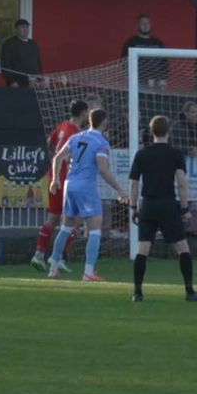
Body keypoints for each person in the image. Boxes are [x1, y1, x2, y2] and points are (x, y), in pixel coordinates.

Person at [128, 115, 197, 303]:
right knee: (182, 248)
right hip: (168, 204)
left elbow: (133, 185)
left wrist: (133, 207)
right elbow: (182, 183)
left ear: (151, 131)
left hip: (148, 204)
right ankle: (189, 290)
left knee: (143, 249)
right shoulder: (175, 154)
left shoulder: (142, 154)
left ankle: (137, 292)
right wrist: (185, 207)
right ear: (168, 132)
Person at [47, 109, 130, 281]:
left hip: (70, 185)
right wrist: (120, 189)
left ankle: (53, 268)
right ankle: (88, 272)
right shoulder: (101, 142)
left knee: (65, 228)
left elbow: (57, 158)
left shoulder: (76, 137)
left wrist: (55, 180)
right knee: (94, 228)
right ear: (104, 122)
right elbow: (103, 169)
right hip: (86, 187)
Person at [31, 99, 89, 272]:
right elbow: (73, 157)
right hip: (66, 180)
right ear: (84, 113)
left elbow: (50, 144)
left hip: (53, 178)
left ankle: (38, 255)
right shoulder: (76, 133)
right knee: (75, 219)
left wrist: (57, 161)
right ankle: (59, 257)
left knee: (53, 218)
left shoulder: (62, 126)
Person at [122, 15, 168, 88]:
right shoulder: (131, 43)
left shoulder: (158, 43)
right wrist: (128, 79)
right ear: (137, 26)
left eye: (147, 23)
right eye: (142, 23)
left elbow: (164, 63)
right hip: (137, 81)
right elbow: (124, 62)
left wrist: (164, 79)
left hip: (156, 81)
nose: (145, 25)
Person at [0, 19, 42, 88]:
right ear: (16, 29)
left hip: (33, 83)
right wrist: (12, 81)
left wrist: (39, 78)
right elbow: (5, 65)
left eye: (27, 27)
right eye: (22, 27)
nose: (25, 30)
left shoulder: (33, 44)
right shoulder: (9, 44)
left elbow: (38, 62)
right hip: (17, 84)